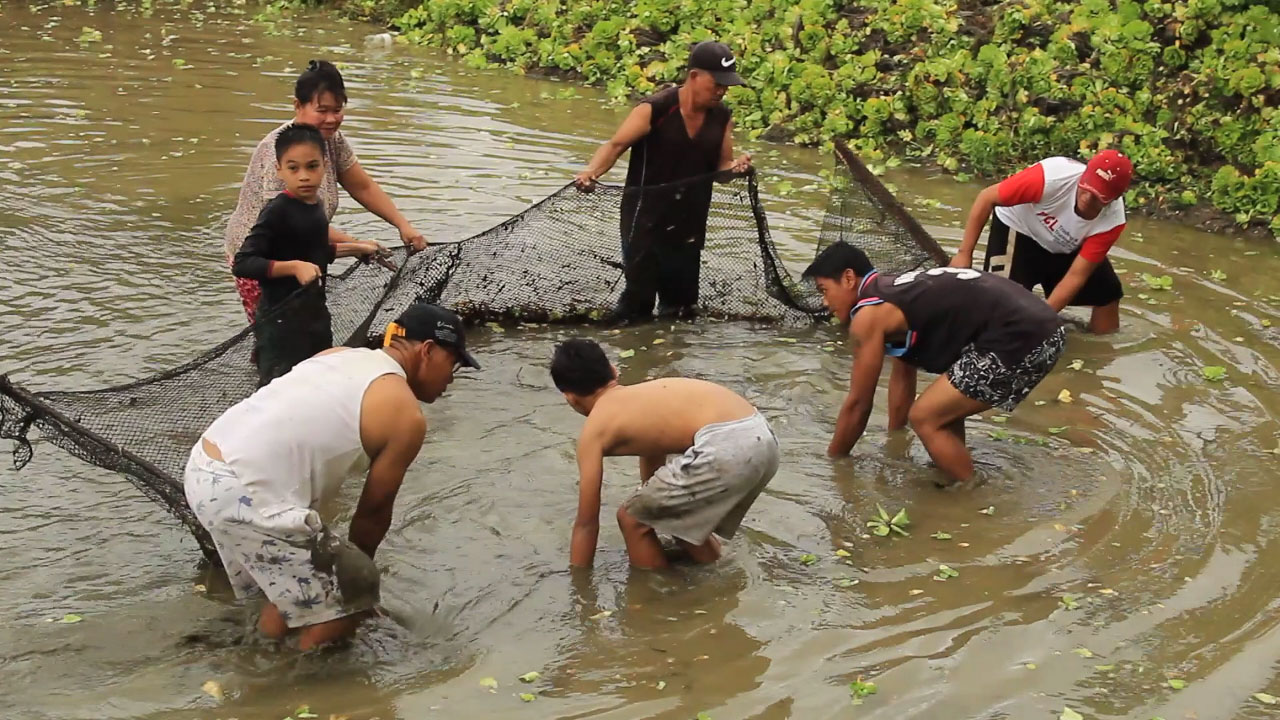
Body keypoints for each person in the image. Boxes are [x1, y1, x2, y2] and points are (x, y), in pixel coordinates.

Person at [183, 303, 479, 650]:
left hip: (205, 467)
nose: (451, 378)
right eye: (453, 362)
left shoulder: (338, 355)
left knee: (293, 589)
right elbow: (373, 514)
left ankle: (255, 654)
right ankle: (286, 675)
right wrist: (355, 590)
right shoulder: (406, 414)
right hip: (244, 490)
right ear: (427, 350)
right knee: (347, 591)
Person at [804, 241, 1066, 485]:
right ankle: (953, 478)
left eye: (824, 290)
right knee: (943, 411)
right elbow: (903, 375)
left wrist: (834, 463)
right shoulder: (897, 292)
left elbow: (859, 404)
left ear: (849, 278)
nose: (825, 303)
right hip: (1044, 329)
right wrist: (896, 441)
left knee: (925, 417)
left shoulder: (868, 316)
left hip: (1025, 336)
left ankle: (973, 493)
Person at [223, 59, 428, 322]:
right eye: (322, 110)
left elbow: (362, 185)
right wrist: (356, 244)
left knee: (307, 321)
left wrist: (403, 225)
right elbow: (295, 223)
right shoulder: (281, 152)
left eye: (337, 110)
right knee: (277, 327)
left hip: (305, 251)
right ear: (298, 106)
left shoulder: (331, 139)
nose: (331, 119)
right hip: (265, 259)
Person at [550, 338, 779, 569]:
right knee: (675, 518)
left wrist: (578, 581)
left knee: (632, 520)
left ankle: (654, 588)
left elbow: (587, 524)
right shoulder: (644, 394)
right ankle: (719, 571)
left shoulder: (593, 432)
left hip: (726, 445)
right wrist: (655, 511)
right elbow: (654, 472)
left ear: (570, 397)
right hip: (761, 435)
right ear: (614, 371)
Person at [573, 41, 753, 320]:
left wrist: (736, 168)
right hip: (645, 220)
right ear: (694, 76)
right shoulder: (655, 109)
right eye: (717, 83)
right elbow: (615, 146)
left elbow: (721, 170)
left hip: (688, 225)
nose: (722, 91)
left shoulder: (721, 117)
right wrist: (591, 172)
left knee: (680, 309)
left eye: (726, 85)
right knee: (637, 304)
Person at [232, 123, 386, 386]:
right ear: (279, 169)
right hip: (280, 320)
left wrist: (358, 248)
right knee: (279, 388)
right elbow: (243, 263)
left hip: (313, 314)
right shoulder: (277, 210)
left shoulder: (316, 205)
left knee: (318, 380)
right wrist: (294, 268)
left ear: (325, 166)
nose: (304, 176)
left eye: (312, 166)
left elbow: (314, 252)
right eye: (293, 168)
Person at [950, 149, 1134, 334]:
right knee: (1001, 307)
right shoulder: (1051, 178)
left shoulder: (1112, 222)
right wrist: (964, 254)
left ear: (1114, 199)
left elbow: (1076, 276)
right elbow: (986, 197)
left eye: (1097, 197)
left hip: (1066, 245)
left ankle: (1100, 344)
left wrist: (1041, 319)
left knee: (1108, 292)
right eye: (1086, 188)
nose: (1087, 199)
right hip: (1019, 228)